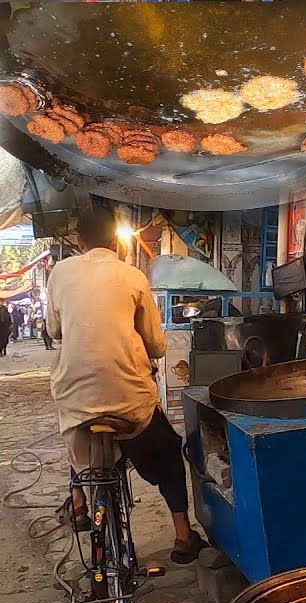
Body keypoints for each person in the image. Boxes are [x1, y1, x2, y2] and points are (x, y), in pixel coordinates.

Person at [47, 208, 207, 564]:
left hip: (76, 397)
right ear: (116, 243)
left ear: (80, 241)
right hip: (130, 400)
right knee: (168, 453)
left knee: (78, 432)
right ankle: (184, 536)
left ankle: (79, 504)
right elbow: (157, 346)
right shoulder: (133, 276)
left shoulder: (60, 272)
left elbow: (54, 330)